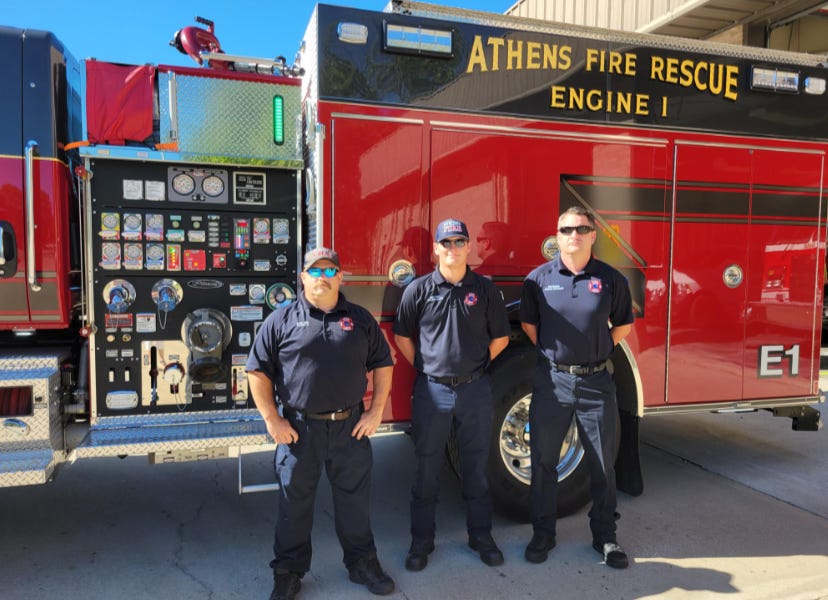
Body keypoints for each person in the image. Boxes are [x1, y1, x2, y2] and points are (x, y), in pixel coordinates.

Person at [246, 247, 396, 600]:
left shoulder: (359, 319)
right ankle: (287, 573)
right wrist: (272, 418)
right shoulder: (281, 320)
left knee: (354, 502)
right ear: (302, 277)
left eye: (330, 271)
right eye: (315, 271)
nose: (322, 278)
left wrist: (375, 412)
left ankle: (362, 563)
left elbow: (383, 363)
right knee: (293, 505)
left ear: (341, 277)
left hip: (350, 427)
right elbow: (256, 370)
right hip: (299, 429)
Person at [519, 206, 634, 569]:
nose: (574, 235)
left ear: (593, 235)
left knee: (602, 464)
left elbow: (623, 327)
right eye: (567, 229)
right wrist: (559, 358)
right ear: (556, 235)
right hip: (553, 381)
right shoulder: (537, 280)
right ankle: (543, 534)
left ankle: (606, 537)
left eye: (582, 229)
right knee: (543, 462)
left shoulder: (612, 280)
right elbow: (530, 327)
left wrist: (596, 352)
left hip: (596, 382)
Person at [393, 218, 510, 572]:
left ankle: (481, 536)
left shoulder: (486, 290)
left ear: (469, 247)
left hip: (475, 390)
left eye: (460, 241)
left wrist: (474, 367)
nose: (453, 248)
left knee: (476, 467)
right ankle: (421, 542)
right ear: (436, 249)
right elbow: (402, 337)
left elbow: (501, 338)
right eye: (447, 242)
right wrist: (429, 369)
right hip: (432, 391)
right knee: (426, 470)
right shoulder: (418, 289)